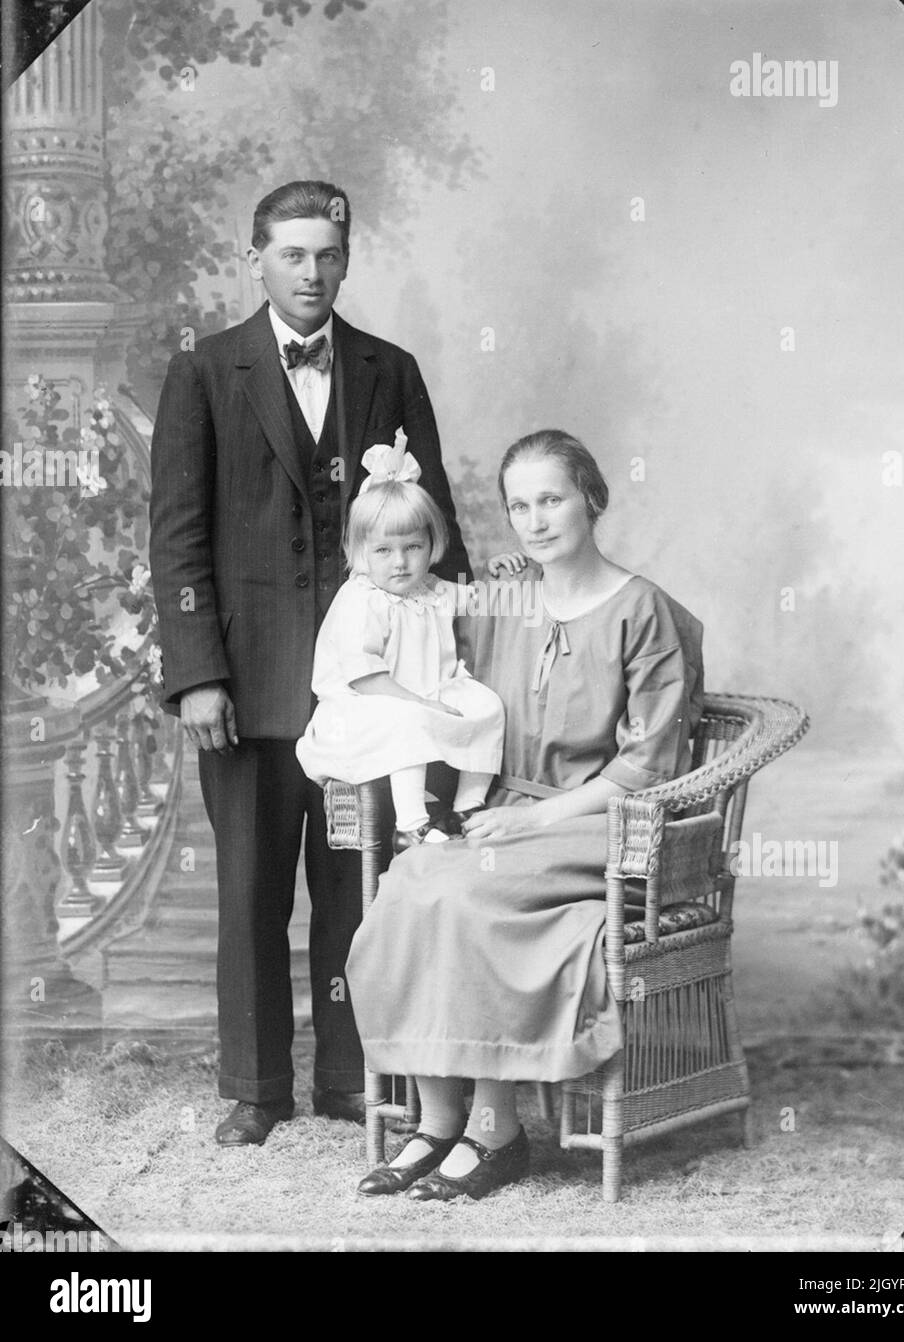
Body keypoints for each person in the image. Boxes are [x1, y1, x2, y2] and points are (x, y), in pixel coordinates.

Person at [149, 180, 470, 1147]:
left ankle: (348, 1074)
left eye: (327, 254)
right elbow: (178, 538)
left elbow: (435, 532)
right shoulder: (205, 372)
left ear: (347, 259)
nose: (311, 272)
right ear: (256, 259)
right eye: (292, 254)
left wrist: (424, 652)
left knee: (355, 891)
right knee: (250, 894)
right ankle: (255, 1088)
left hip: (363, 695)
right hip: (244, 689)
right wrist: (198, 671)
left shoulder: (390, 369)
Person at [345, 429, 704, 1200]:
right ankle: (435, 1124)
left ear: (592, 499)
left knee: (470, 894)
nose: (535, 520)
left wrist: (534, 823)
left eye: (552, 499)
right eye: (519, 506)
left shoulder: (641, 611)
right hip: (502, 811)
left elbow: (645, 766)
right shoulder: (503, 596)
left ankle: (495, 1131)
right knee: (411, 882)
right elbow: (415, 632)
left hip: (596, 823)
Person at [296, 428, 505, 849]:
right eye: (384, 551)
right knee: (406, 723)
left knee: (487, 704)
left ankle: (468, 804)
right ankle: (410, 823)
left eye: (413, 547)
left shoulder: (431, 587)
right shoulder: (362, 598)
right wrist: (423, 704)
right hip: (365, 710)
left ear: (432, 545)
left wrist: (500, 571)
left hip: (427, 693)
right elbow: (365, 678)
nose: (401, 563)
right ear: (360, 553)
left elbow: (482, 599)